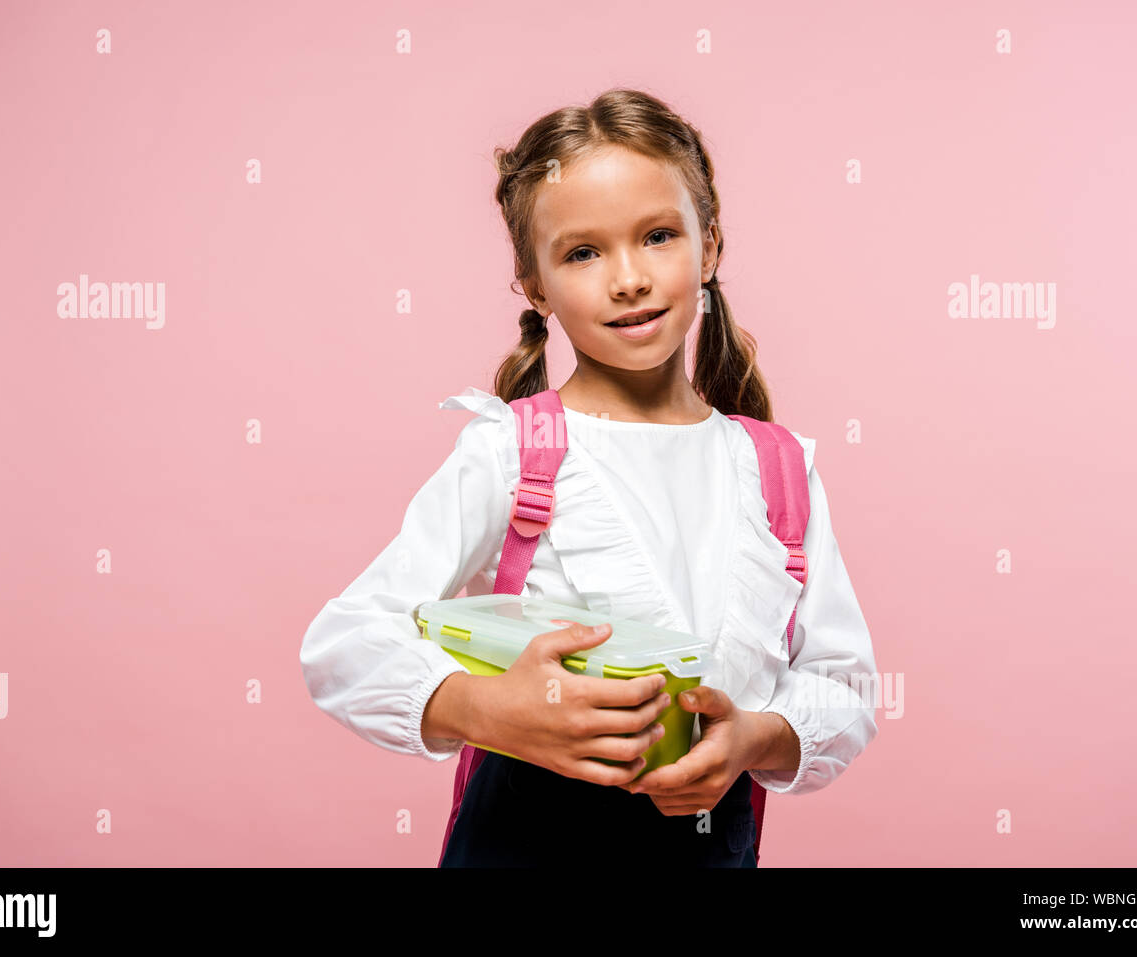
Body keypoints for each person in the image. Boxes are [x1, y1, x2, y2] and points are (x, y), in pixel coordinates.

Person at [300, 88, 878, 868]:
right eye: (582, 252)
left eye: (658, 236)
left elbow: (842, 686)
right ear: (535, 286)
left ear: (709, 249)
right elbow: (346, 642)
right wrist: (489, 709)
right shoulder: (511, 451)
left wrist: (754, 736)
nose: (628, 278)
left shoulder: (775, 469)